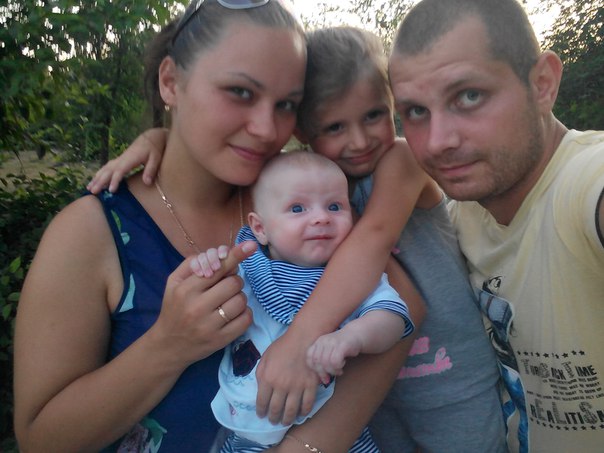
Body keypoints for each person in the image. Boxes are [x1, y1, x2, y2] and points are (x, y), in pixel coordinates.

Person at [13, 2, 421, 452]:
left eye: (286, 105)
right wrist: (168, 346)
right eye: (240, 92)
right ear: (171, 82)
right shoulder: (91, 233)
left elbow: (403, 303)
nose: (266, 129)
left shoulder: (292, 198)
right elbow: (41, 440)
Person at [89, 26, 506, 452]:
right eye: (335, 126)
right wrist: (160, 138)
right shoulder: (318, 181)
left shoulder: (401, 159)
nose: (359, 140)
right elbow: (236, 157)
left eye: (374, 115)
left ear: (393, 106)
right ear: (304, 133)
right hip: (377, 387)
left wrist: (299, 340)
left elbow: (372, 237)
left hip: (451, 376)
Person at [388, 0, 604, 451]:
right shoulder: (455, 221)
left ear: (542, 84)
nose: (438, 142)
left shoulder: (584, 183)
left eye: (469, 96)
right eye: (417, 112)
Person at [193, 151, 413, 452]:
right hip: (240, 431)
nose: (322, 217)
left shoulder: (350, 274)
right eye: (297, 208)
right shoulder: (248, 266)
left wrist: (352, 337)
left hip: (330, 430)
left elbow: (393, 317)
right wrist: (207, 266)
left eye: (335, 206)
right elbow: (209, 300)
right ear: (261, 229)